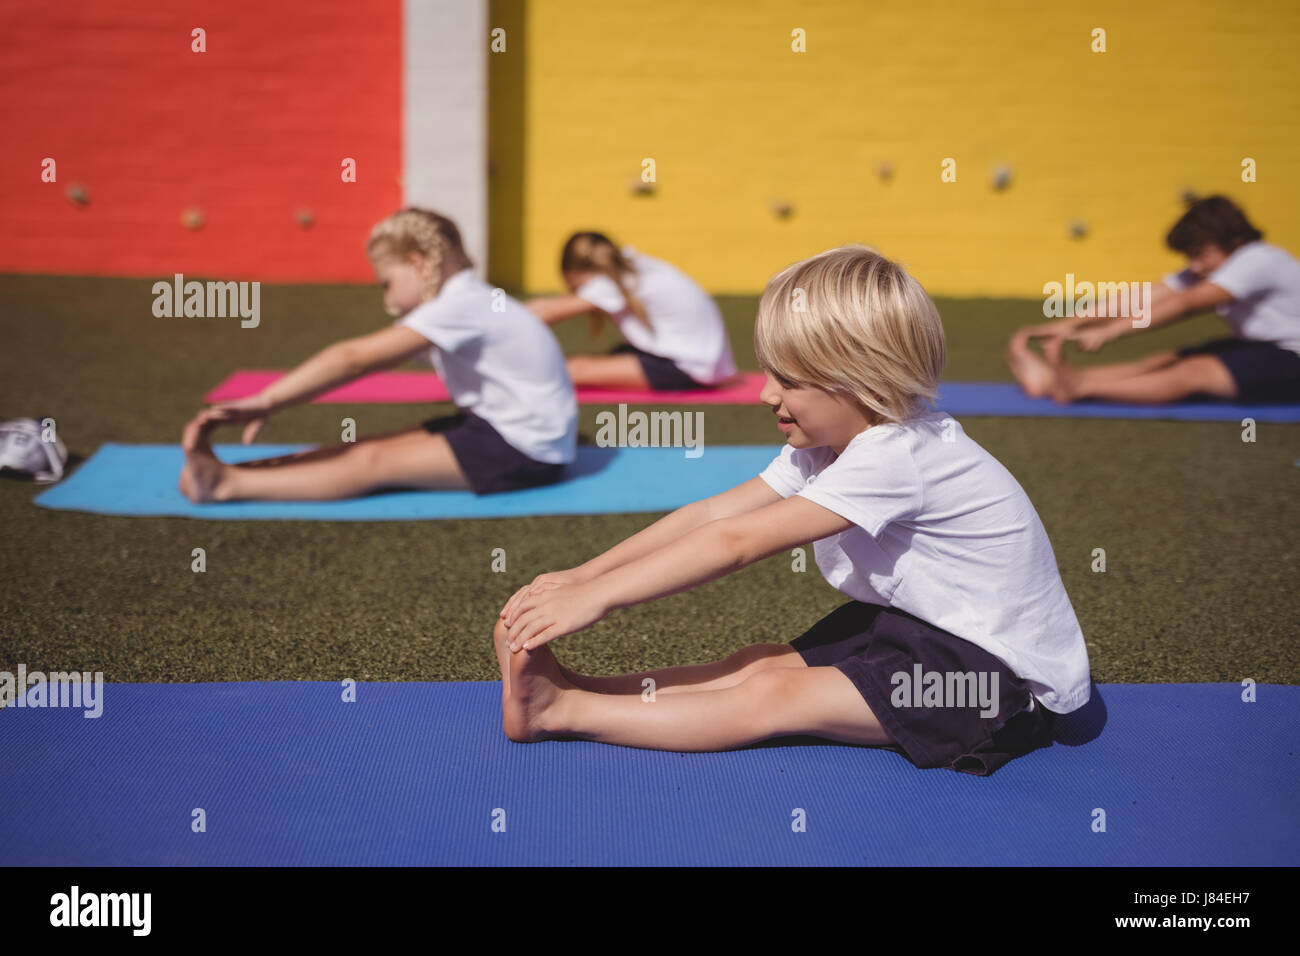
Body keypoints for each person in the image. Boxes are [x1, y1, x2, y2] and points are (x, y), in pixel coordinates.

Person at [494, 245, 1091, 775]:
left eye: (790, 379)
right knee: (759, 664)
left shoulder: (898, 455)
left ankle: (563, 711)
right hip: (927, 627)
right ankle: (579, 690)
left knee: (774, 698)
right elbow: (711, 516)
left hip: (988, 681)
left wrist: (599, 598)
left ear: (861, 380)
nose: (764, 393)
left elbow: (738, 544)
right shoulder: (826, 445)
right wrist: (582, 576)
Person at [179, 209, 576, 501]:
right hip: (500, 427)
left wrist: (268, 400)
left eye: (387, 284)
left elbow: (356, 358)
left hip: (526, 449)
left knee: (373, 460)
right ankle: (238, 471)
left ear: (418, 264)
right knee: (365, 446)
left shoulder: (462, 305)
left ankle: (226, 484)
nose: (388, 301)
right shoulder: (470, 299)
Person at [1007, 195, 1300, 404]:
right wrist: (1070, 324)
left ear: (1228, 238)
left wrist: (1109, 332)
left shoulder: (1257, 259)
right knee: (1167, 359)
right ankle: (1062, 380)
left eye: (1199, 253)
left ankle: (1080, 386)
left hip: (1292, 357)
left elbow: (1185, 304)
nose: (1195, 266)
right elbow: (1144, 297)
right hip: (1266, 347)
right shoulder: (1221, 264)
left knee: (1194, 372)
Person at [526, 232, 738, 389]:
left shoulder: (608, 283)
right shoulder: (632, 266)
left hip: (692, 368)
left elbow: (546, 312)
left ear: (574, 275)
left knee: (568, 370)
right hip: (707, 362)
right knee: (599, 360)